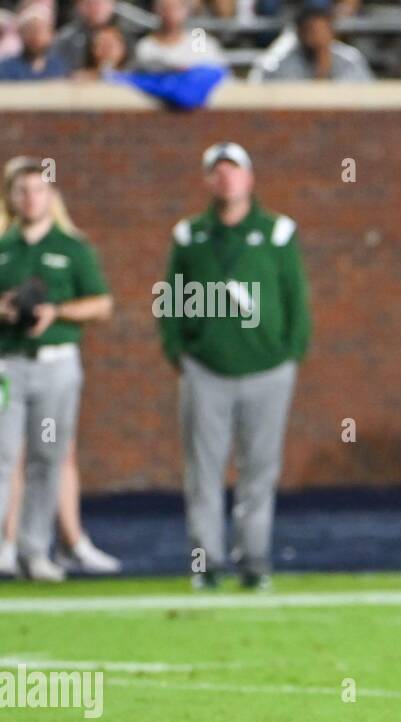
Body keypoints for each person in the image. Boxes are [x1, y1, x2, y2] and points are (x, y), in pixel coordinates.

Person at [159, 142, 310, 591]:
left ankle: (254, 562)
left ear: (249, 177)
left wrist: (290, 353)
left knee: (259, 471)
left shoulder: (278, 232)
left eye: (233, 170)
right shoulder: (189, 235)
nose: (226, 178)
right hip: (205, 370)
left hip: (268, 369)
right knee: (202, 472)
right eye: (217, 171)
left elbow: (295, 298)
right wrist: (180, 352)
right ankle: (205, 563)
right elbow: (171, 298)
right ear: (208, 180)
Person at [0, 156, 113, 582]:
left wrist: (57, 311)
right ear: (11, 197)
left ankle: (35, 550)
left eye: (39, 189)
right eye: (22, 191)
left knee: (47, 455)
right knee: (3, 455)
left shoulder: (72, 248)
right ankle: (4, 546)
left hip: (55, 369)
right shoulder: (3, 248)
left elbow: (101, 304)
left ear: (51, 195)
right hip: (8, 367)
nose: (31, 198)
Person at [0, 440, 123, 576]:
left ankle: (67, 546)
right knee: (13, 453)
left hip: (48, 425)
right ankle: (8, 543)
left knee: (52, 452)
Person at [250, 2, 373, 82]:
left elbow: (364, 98)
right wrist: (321, 68)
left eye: (323, 31)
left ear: (332, 32)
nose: (318, 37)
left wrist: (324, 61)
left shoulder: (350, 59)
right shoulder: (279, 62)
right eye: (311, 31)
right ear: (300, 33)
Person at [133, 0, 228, 73]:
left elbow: (218, 72)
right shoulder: (145, 46)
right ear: (156, 11)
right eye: (165, 8)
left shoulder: (200, 41)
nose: (170, 13)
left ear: (186, 11)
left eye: (176, 8)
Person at [0, 3, 70, 80]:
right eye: (30, 30)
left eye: (41, 31)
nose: (36, 36)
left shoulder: (58, 66)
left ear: (51, 34)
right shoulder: (6, 67)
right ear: (21, 34)